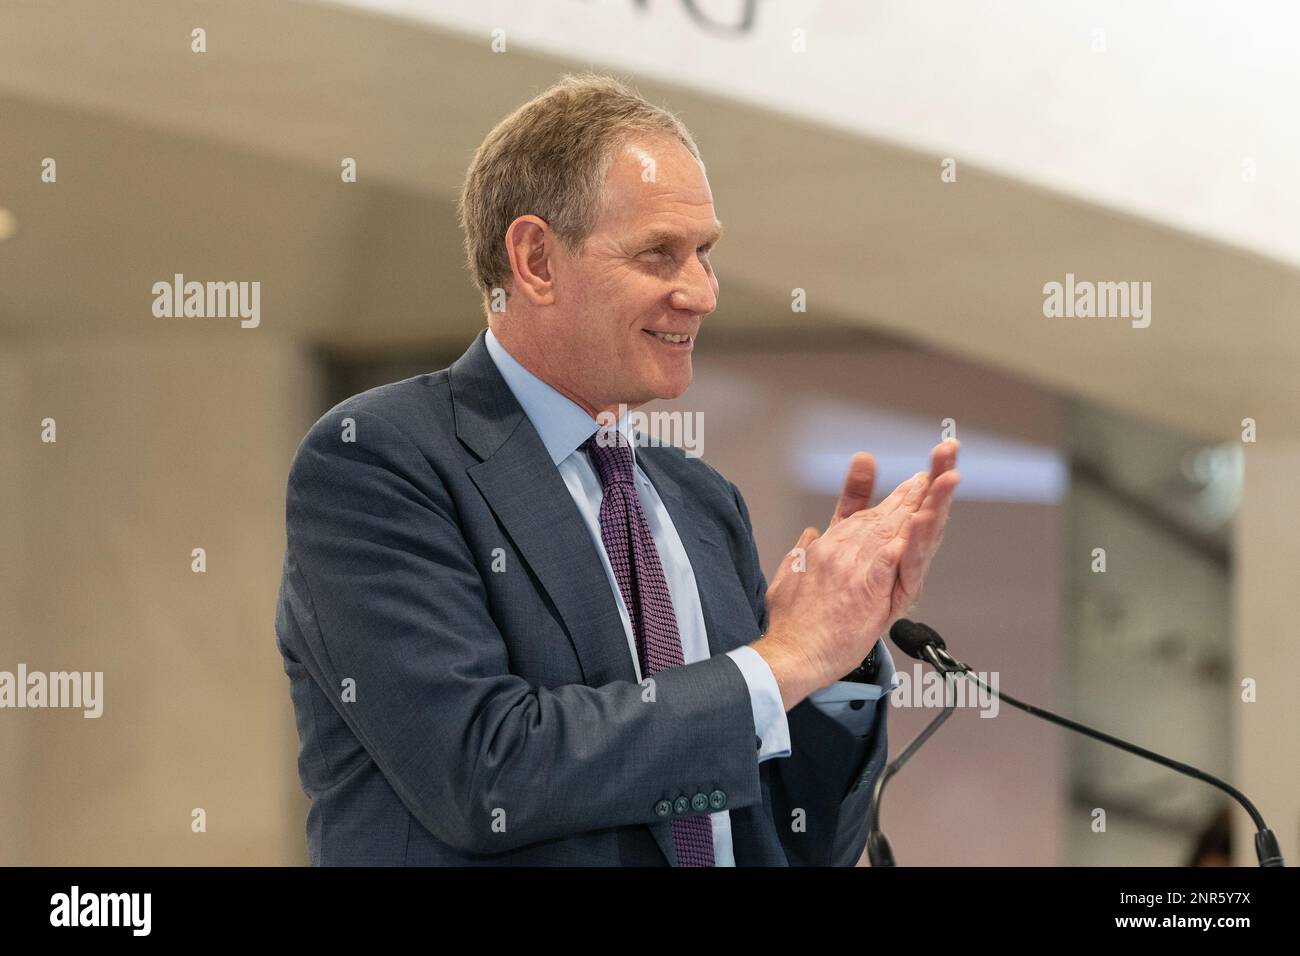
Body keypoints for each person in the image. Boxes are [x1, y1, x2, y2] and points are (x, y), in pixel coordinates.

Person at [274, 73, 960, 865]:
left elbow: (796, 839)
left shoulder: (703, 502)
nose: (701, 292)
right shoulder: (378, 458)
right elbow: (486, 773)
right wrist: (779, 662)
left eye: (705, 253)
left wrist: (839, 653)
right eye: (659, 253)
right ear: (534, 260)